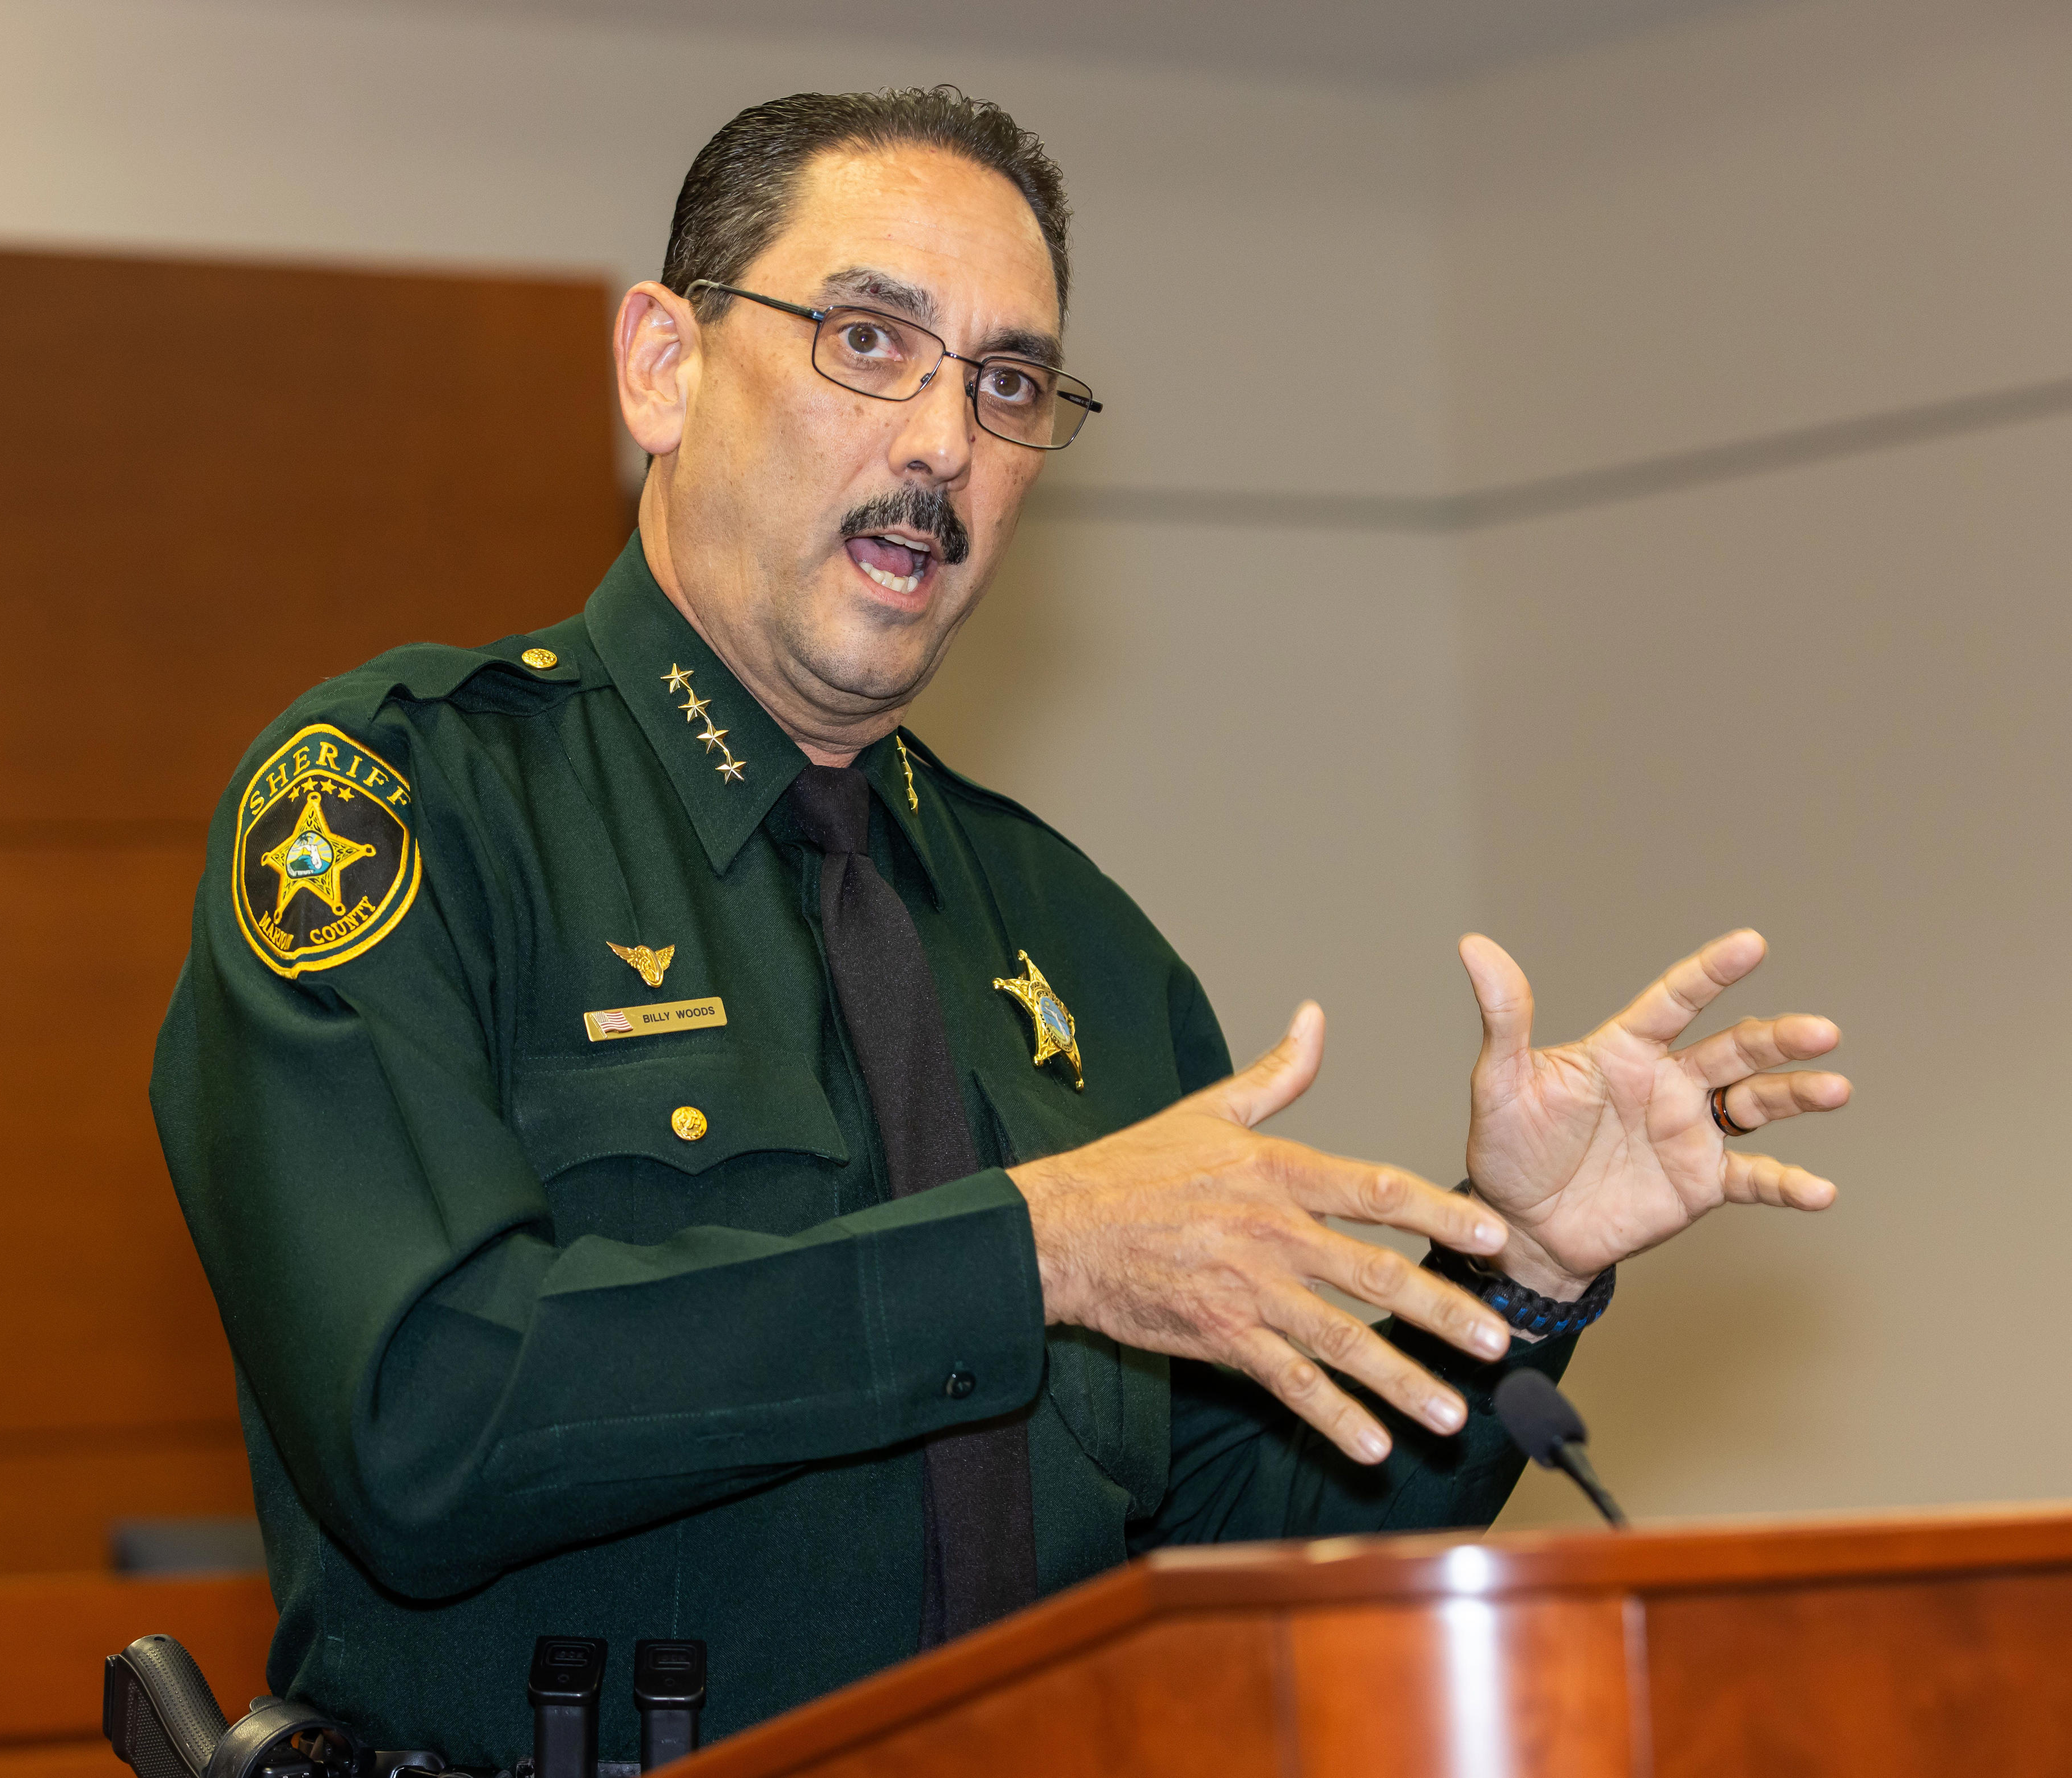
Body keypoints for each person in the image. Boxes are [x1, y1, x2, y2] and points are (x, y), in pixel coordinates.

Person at [151, 87, 1850, 1760]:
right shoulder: (404, 805)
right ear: (663, 367)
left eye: (1009, 383)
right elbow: (424, 1417)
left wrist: (1525, 1262)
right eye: (871, 342)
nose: (942, 445)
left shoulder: (1077, 942)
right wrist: (1028, 1249)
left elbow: (1238, 1550)